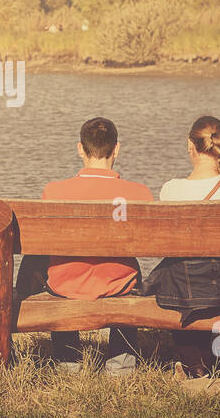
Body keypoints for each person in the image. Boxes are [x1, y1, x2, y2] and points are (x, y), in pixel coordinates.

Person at [15, 117, 152, 376]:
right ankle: (120, 367)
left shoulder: (54, 192)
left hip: (67, 286)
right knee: (130, 274)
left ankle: (70, 363)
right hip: (118, 285)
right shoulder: (139, 193)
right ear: (117, 149)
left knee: (58, 269)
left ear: (80, 148)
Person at [146, 115, 220, 376]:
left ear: (190, 146)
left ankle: (194, 365)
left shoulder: (171, 190)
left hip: (187, 289)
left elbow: (167, 248)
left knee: (177, 274)